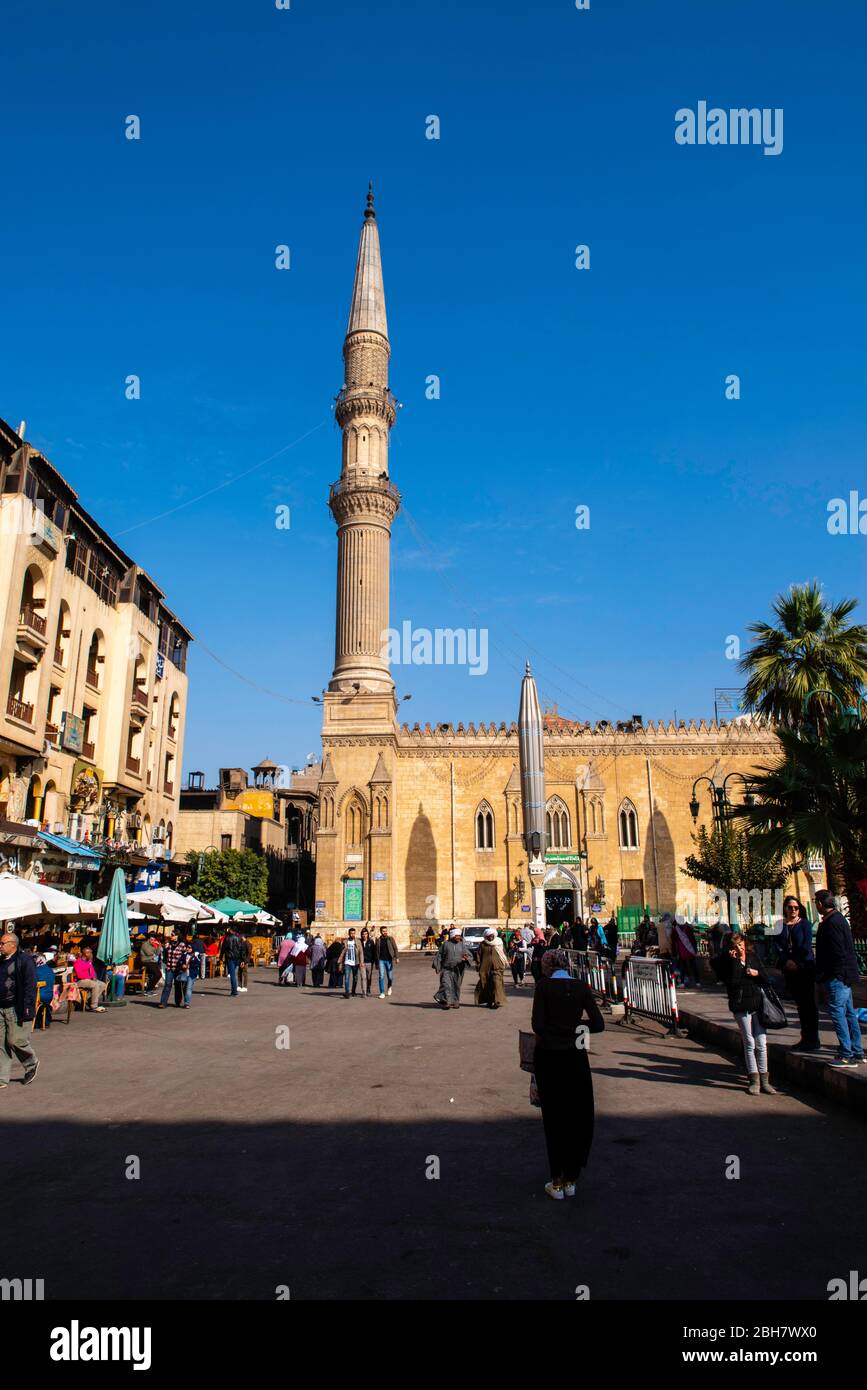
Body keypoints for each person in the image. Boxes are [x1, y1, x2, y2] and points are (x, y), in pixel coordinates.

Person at [531, 947, 604, 1200]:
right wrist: (574, 1027)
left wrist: (556, 1029)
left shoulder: (543, 987)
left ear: (548, 965)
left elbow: (538, 1026)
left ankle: (557, 1181)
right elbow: (598, 1024)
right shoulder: (582, 987)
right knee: (577, 1116)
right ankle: (572, 1178)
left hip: (549, 1058)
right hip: (576, 1058)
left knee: (554, 1119)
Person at [714, 931, 778, 1095]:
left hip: (757, 1003)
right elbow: (733, 982)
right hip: (741, 1005)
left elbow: (766, 978)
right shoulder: (727, 962)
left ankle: (765, 1080)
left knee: (761, 1042)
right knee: (749, 1042)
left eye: (741, 944)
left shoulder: (753, 957)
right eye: (736, 946)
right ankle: (754, 1079)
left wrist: (757, 973)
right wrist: (735, 961)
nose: (740, 948)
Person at [814, 889, 864, 1067]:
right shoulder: (838, 919)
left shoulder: (832, 923)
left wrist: (833, 974)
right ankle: (857, 1051)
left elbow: (837, 952)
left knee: (838, 1013)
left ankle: (846, 1054)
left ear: (820, 903)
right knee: (849, 1013)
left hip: (838, 976)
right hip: (844, 975)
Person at [777, 895, 819, 1052]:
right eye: (790, 907)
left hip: (803, 969)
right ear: (785, 908)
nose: (793, 910)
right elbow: (778, 946)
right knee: (800, 1005)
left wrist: (796, 962)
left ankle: (812, 1038)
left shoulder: (805, 925)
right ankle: (805, 1037)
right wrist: (786, 961)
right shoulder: (780, 925)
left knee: (808, 1004)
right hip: (789, 969)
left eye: (796, 907)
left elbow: (806, 946)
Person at [0, 931, 39, 1088]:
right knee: (1, 1044)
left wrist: (28, 1008)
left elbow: (30, 986)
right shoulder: (1, 961)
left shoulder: (24, 961)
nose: (0, 946)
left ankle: (31, 1063)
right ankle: (2, 1078)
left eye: (3, 943)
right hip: (0, 1007)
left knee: (16, 1041)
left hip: (16, 1007)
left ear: (13, 945)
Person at [433, 928, 471, 1009]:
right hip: (446, 969)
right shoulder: (446, 944)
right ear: (453, 936)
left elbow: (469, 955)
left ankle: (456, 1002)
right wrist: (437, 966)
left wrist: (466, 958)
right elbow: (439, 956)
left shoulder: (462, 945)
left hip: (458, 970)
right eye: (457, 936)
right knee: (446, 985)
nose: (458, 937)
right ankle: (447, 1002)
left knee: (456, 986)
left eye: (459, 936)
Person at [475, 928, 507, 1008]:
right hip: (485, 968)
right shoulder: (483, 944)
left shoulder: (498, 943)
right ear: (486, 936)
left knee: (497, 983)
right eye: (489, 936)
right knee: (486, 984)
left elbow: (503, 953)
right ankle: (489, 1001)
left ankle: (497, 1001)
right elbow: (479, 955)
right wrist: (478, 964)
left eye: (492, 936)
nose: (490, 938)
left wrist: (506, 961)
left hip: (497, 967)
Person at [158, 933, 192, 1008]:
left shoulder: (182, 944)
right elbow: (165, 956)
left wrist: (183, 964)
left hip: (178, 969)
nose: (171, 936)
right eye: (171, 935)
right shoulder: (168, 944)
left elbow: (185, 955)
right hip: (169, 968)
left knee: (177, 986)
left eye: (173, 935)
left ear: (177, 936)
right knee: (167, 985)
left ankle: (177, 1002)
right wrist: (165, 950)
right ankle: (163, 1003)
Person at [73, 948, 106, 1012]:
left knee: (102, 984)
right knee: (95, 985)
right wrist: (90, 977)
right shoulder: (78, 962)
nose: (91, 954)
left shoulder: (88, 962)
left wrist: (94, 977)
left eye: (91, 953)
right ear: (85, 954)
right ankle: (94, 1006)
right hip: (80, 981)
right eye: (90, 953)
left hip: (89, 980)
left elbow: (93, 972)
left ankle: (89, 1000)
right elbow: (79, 975)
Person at [671, 917, 700, 988]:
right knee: (693, 966)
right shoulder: (688, 928)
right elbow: (693, 940)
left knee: (682, 967)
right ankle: (697, 982)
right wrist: (695, 950)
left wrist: (674, 953)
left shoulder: (675, 930)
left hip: (681, 951)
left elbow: (673, 941)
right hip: (690, 949)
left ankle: (682, 982)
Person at [219, 926, 245, 997]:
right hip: (238, 958)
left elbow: (223, 949)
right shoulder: (238, 938)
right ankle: (236, 989)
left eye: (229, 929)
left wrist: (221, 957)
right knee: (235, 974)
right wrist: (242, 960)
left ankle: (234, 991)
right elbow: (242, 949)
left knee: (233, 975)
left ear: (231, 931)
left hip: (230, 958)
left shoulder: (227, 938)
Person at [375, 925, 399, 998]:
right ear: (380, 932)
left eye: (386, 931)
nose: (385, 932)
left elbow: (395, 948)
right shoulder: (378, 940)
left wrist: (396, 957)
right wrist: (377, 962)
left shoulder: (390, 939)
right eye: (383, 931)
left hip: (389, 960)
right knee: (381, 976)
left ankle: (389, 987)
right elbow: (376, 952)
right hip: (381, 960)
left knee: (390, 977)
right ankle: (382, 992)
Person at [34, 954, 56, 1027]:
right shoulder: (50, 970)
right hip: (50, 995)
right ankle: (45, 1022)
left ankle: (33, 1022)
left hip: (39, 996)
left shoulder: (36, 970)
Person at [339, 929, 361, 997]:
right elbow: (342, 952)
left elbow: (360, 952)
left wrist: (361, 962)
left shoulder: (357, 941)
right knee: (346, 978)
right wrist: (340, 962)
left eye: (354, 933)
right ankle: (347, 992)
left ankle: (353, 991)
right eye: (351, 933)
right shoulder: (345, 941)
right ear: (349, 934)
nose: (352, 935)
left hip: (355, 962)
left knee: (355, 978)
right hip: (347, 962)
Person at [359, 927, 375, 996]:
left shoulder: (371, 942)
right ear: (361, 935)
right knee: (363, 977)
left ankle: (368, 988)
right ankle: (364, 992)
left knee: (369, 977)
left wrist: (373, 961)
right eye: (363, 934)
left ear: (368, 934)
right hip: (362, 963)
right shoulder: (359, 942)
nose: (364, 935)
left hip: (369, 962)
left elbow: (374, 952)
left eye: (366, 934)